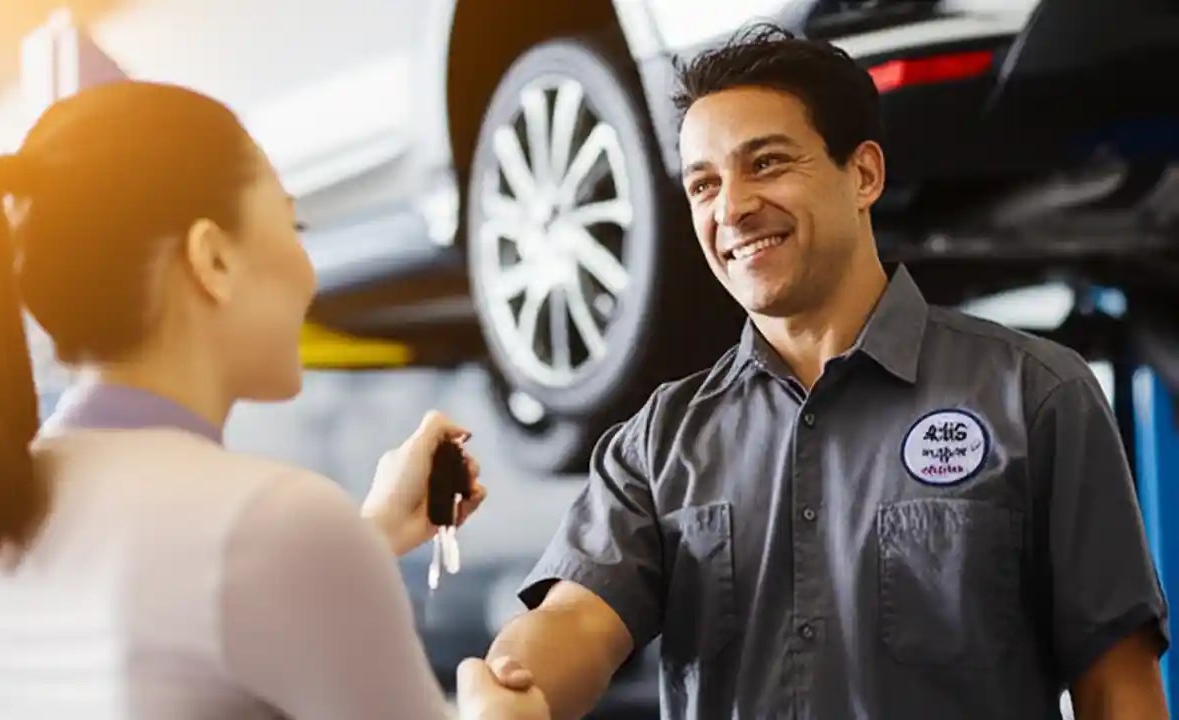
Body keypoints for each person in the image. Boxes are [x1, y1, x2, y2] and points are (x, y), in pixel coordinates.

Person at [484, 24, 1171, 720]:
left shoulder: (1035, 394)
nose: (732, 207)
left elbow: (1117, 686)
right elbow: (575, 620)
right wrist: (514, 684)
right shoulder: (659, 445)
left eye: (766, 163)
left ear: (863, 174)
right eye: (704, 184)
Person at [0, 80, 547, 720]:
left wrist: (365, 542)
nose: (308, 272)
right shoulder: (278, 522)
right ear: (212, 258)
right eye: (292, 225)